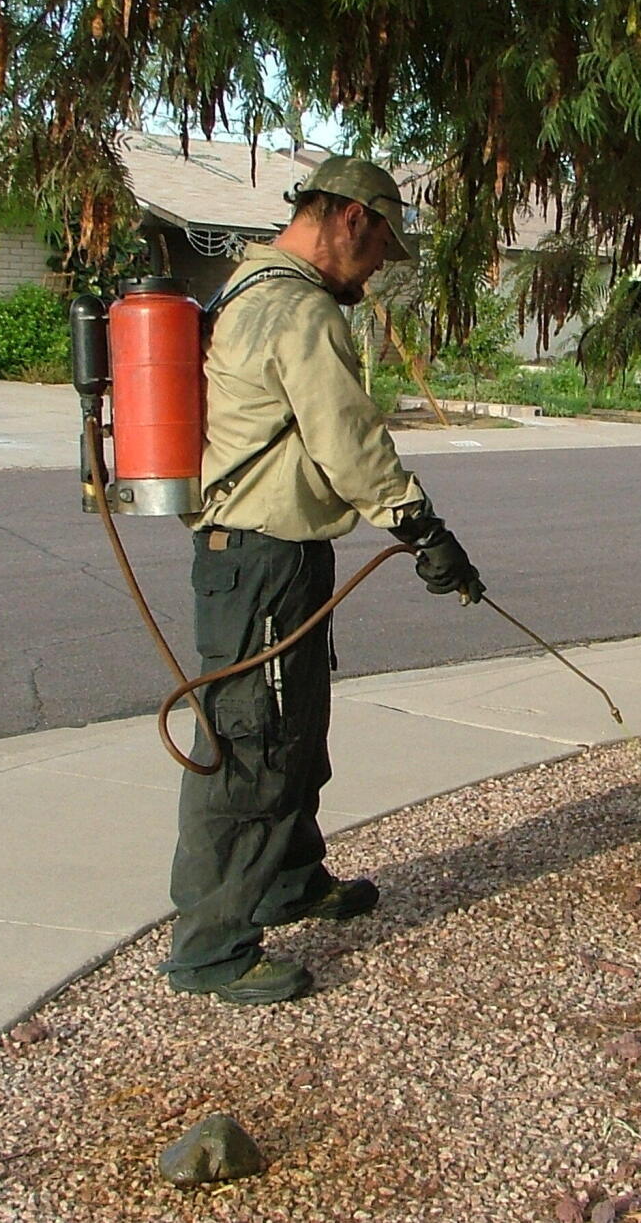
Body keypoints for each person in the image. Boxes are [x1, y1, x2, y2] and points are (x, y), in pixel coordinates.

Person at [162, 155, 484, 1006]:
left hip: (274, 558)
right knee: (251, 747)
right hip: (260, 559)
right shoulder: (295, 309)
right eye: (380, 249)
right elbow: (349, 440)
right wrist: (424, 530)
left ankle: (289, 880)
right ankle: (210, 944)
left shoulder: (247, 289)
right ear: (350, 219)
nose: (378, 269)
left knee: (294, 727)